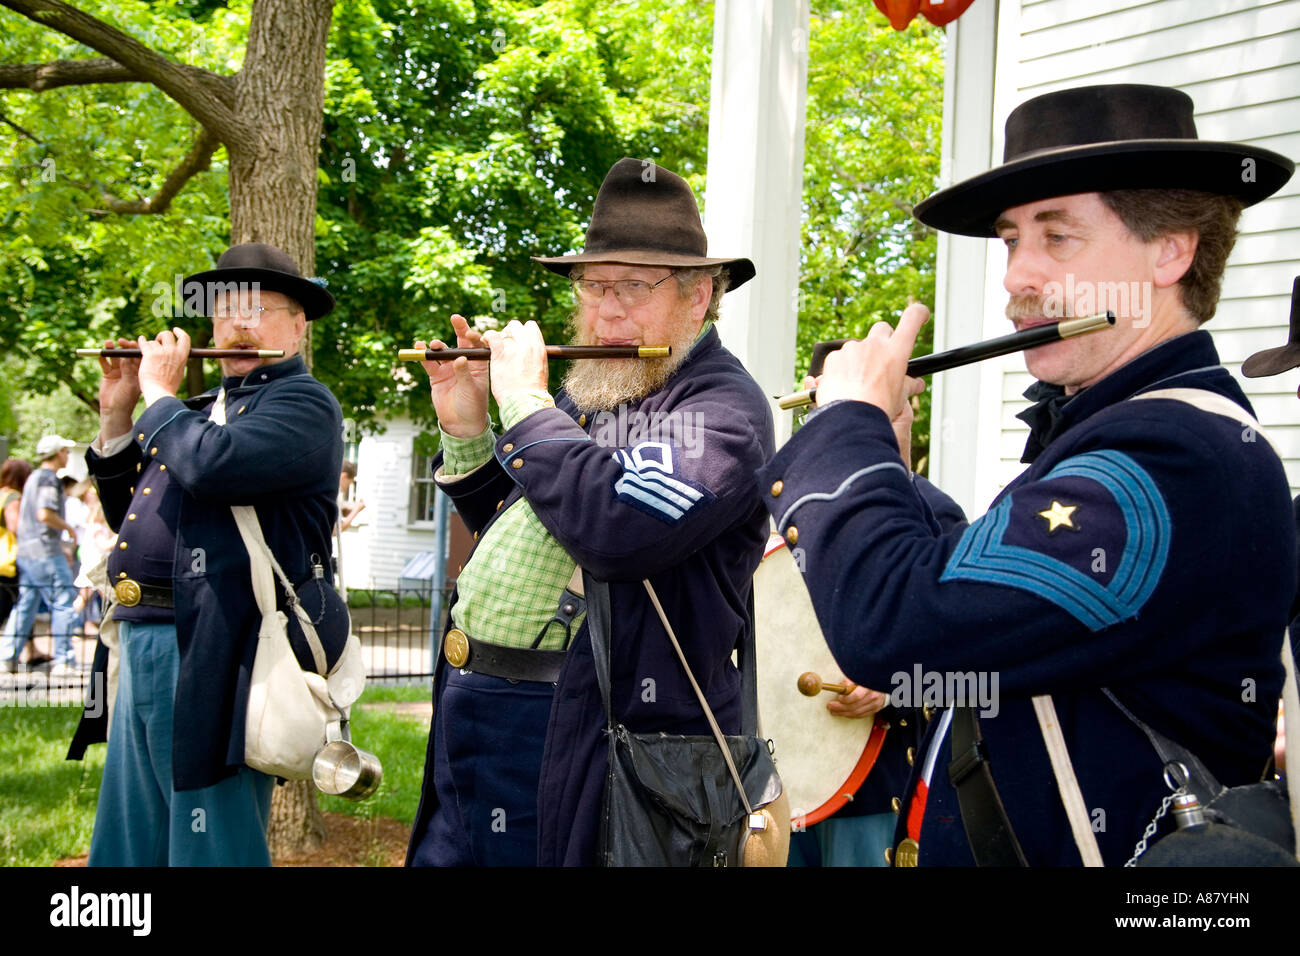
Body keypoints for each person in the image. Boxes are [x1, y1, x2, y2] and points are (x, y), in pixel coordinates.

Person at [757, 84, 1296, 865]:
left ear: (1171, 248)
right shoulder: (1111, 432)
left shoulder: (1170, 454)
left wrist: (847, 428)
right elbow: (985, 624)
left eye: (1058, 237)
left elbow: (898, 629)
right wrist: (890, 465)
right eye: (1012, 241)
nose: (1017, 277)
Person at [405, 157, 774, 866]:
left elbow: (614, 528)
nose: (605, 309)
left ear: (699, 296)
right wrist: (468, 425)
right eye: (592, 285)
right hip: (477, 707)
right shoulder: (592, 390)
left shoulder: (721, 410)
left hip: (588, 733)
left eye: (633, 286)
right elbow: (520, 527)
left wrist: (525, 405)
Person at [67, 242, 345, 866]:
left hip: (216, 646)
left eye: (260, 310)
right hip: (143, 636)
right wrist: (117, 416)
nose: (239, 325)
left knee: (207, 842)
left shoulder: (304, 405)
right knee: (131, 838)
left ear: (298, 325)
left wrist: (157, 395)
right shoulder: (197, 413)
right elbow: (132, 516)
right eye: (226, 311)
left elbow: (213, 468)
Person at [1, 436, 80, 676]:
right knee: (63, 600)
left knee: (26, 603)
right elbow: (44, 514)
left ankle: (7, 657)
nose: (67, 456)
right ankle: (64, 660)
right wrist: (68, 529)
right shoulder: (47, 479)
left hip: (27, 551)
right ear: (57, 453)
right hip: (45, 551)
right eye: (66, 451)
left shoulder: (33, 477)